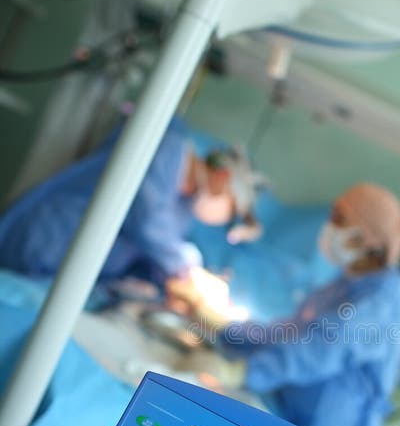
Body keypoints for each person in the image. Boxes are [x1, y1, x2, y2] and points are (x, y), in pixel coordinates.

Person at [171, 182, 400, 426]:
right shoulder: (344, 284)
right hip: (292, 419)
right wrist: (221, 328)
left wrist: (244, 372)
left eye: (340, 219)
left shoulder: (386, 297)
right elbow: (291, 334)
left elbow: (321, 348)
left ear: (368, 240)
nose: (330, 226)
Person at [0, 115, 263, 304]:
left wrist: (171, 282)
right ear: (222, 177)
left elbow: (149, 257)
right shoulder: (166, 149)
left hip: (73, 271)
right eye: (229, 210)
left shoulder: (182, 211)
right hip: (52, 235)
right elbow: (146, 219)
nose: (221, 218)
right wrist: (182, 262)